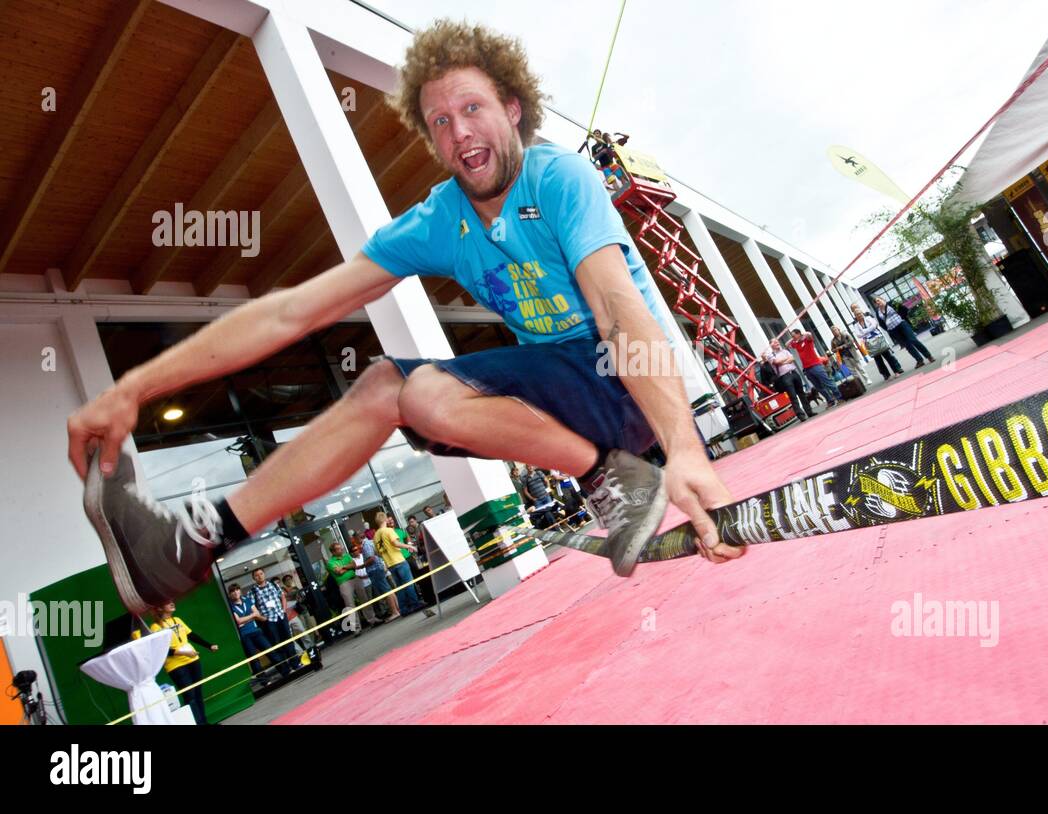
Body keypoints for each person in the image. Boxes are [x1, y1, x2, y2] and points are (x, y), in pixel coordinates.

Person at [70, 19, 745, 615]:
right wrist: (136, 386)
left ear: (513, 111)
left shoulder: (559, 178)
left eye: (473, 108)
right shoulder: (437, 219)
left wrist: (684, 448)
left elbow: (617, 308)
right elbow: (291, 313)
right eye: (440, 122)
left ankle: (610, 473)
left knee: (421, 391)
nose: (460, 132)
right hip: (558, 384)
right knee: (382, 389)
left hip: (623, 373)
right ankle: (189, 544)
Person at [134, 600, 218, 725]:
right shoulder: (155, 627)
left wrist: (209, 645)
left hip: (193, 659)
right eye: (167, 602)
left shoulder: (177, 620)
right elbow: (160, 649)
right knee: (190, 697)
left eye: (171, 601)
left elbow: (191, 635)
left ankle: (204, 723)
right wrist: (183, 653)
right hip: (176, 666)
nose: (172, 603)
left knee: (198, 694)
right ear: (160, 608)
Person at [228, 583, 290, 682]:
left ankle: (286, 672)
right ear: (230, 594)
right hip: (244, 635)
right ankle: (264, 681)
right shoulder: (230, 606)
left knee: (271, 651)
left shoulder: (247, 600)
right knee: (254, 659)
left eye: (237, 590)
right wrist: (252, 616)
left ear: (240, 590)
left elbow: (257, 614)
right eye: (232, 591)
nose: (235, 592)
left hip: (256, 631)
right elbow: (238, 621)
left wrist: (248, 619)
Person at [248, 568, 298, 673]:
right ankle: (286, 669)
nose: (259, 576)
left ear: (264, 574)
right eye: (256, 575)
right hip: (268, 621)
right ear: (254, 578)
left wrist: (284, 610)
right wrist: (262, 618)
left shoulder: (274, 584)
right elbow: (251, 609)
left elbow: (282, 597)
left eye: (261, 574)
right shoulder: (252, 591)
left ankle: (296, 664)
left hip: (280, 616)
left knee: (288, 641)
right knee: (276, 644)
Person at [373, 510, 422, 615]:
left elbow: (377, 552)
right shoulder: (388, 530)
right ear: (385, 519)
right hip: (398, 560)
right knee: (409, 583)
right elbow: (395, 543)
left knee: (399, 587)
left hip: (390, 563)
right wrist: (409, 546)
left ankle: (403, 609)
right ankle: (415, 604)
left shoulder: (376, 535)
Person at [327, 540, 379, 629]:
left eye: (341, 548)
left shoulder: (346, 556)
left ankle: (372, 619)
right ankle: (356, 627)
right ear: (333, 552)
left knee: (364, 599)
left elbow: (354, 565)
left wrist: (343, 567)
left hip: (355, 579)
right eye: (338, 549)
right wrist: (348, 567)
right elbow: (338, 572)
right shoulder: (330, 562)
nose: (341, 550)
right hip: (344, 583)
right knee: (350, 605)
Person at [873, 296, 934, 369]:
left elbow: (905, 309)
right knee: (907, 345)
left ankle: (929, 356)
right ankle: (919, 360)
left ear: (883, 299)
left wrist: (901, 317)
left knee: (913, 340)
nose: (878, 302)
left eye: (878, 300)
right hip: (893, 330)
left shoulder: (891, 303)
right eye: (876, 302)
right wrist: (888, 329)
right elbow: (881, 323)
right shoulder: (878, 312)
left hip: (902, 324)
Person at [788, 328, 840, 408]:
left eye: (794, 335)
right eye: (792, 336)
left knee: (827, 382)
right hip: (807, 369)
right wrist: (794, 338)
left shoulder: (807, 340)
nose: (793, 338)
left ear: (799, 334)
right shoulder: (796, 344)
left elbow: (809, 334)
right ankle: (830, 400)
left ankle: (839, 397)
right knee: (818, 387)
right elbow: (786, 344)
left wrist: (802, 335)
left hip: (816, 365)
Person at [850, 303, 904, 381]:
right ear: (853, 312)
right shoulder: (855, 323)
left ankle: (897, 369)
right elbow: (858, 334)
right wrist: (869, 330)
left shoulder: (868, 315)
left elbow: (875, 325)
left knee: (887, 354)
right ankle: (886, 375)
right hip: (869, 342)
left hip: (878, 337)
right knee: (878, 359)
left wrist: (865, 331)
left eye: (857, 308)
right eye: (854, 309)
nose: (858, 313)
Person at [764, 338, 811, 422]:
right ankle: (801, 415)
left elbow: (792, 358)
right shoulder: (770, 355)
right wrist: (786, 360)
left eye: (777, 341)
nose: (777, 342)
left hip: (794, 372)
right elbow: (777, 362)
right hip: (785, 376)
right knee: (793, 396)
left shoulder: (785, 351)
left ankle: (809, 411)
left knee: (801, 393)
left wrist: (784, 362)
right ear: (771, 345)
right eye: (774, 342)